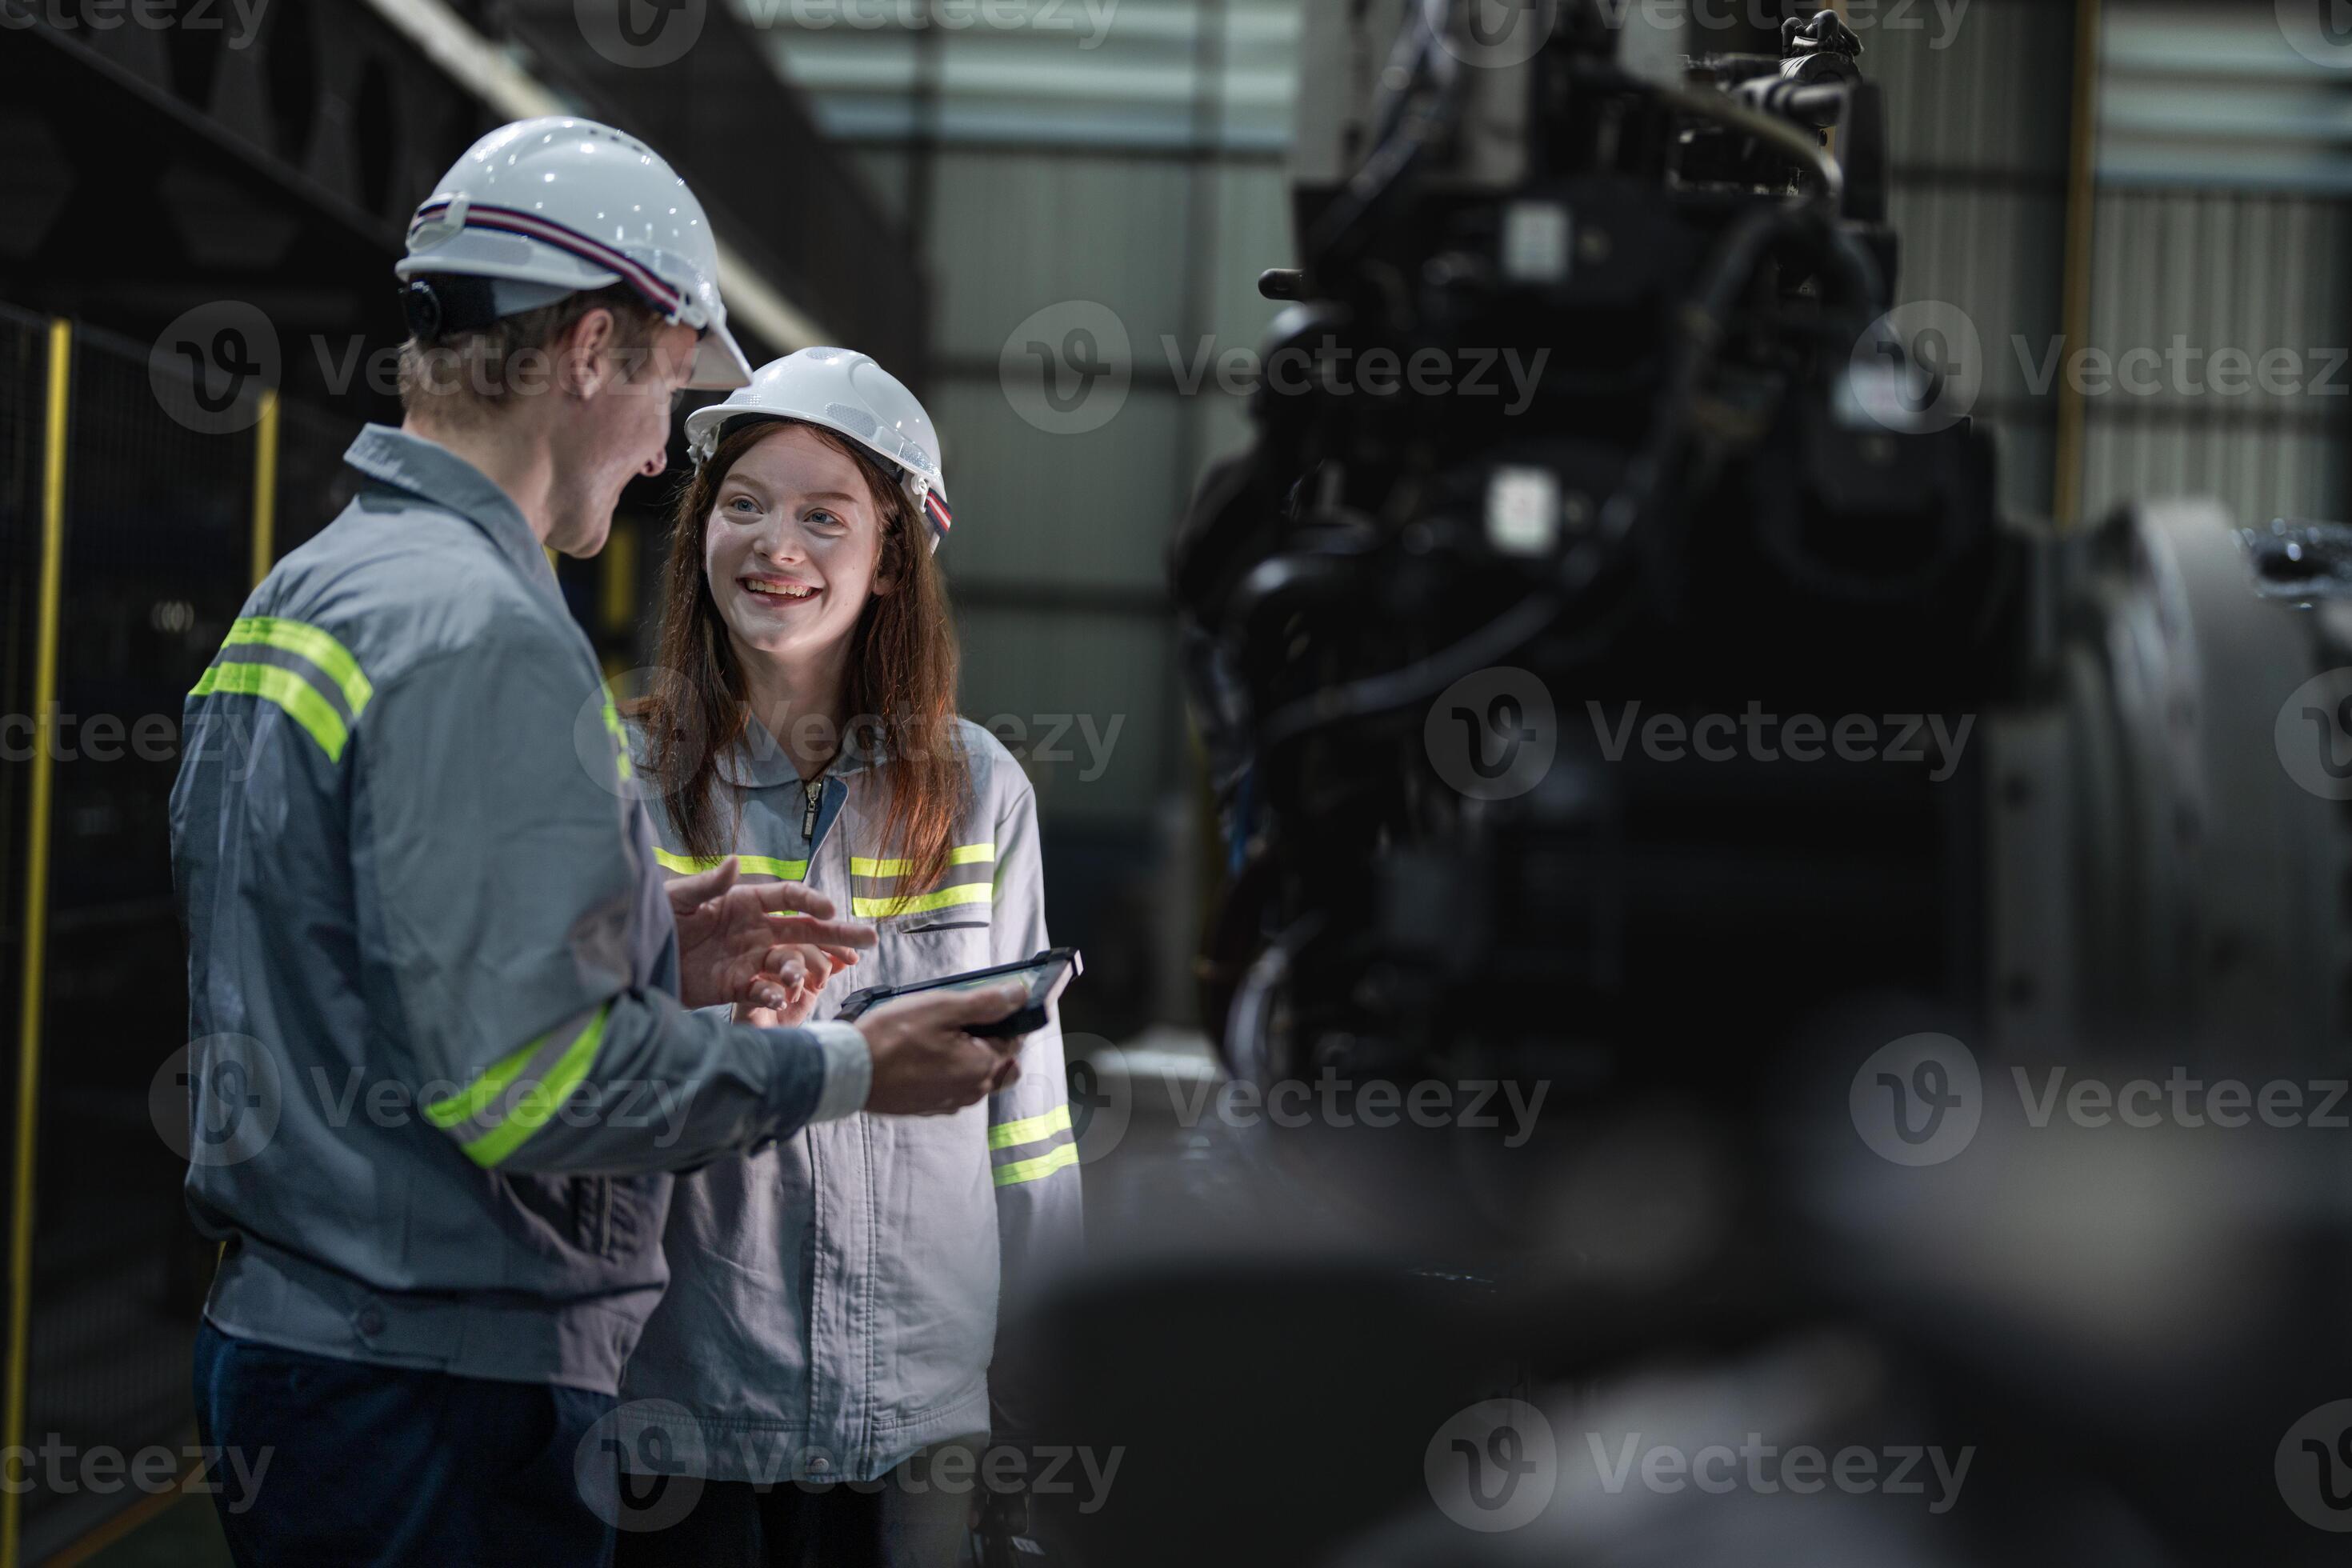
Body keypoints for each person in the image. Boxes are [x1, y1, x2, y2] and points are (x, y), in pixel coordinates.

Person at [168, 120, 1033, 1566]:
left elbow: (367, 963)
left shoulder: (319, 588)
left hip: (320, 1344)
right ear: (587, 351)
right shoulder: (486, 635)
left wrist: (646, 946)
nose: (653, 457)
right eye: (668, 390)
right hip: (432, 1389)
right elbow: (530, 1088)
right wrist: (853, 1066)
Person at [608, 350, 1083, 1566]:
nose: (777, 546)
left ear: (892, 562)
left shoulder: (978, 791)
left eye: (826, 516)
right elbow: (568, 1090)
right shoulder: (619, 781)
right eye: (745, 503)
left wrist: (1045, 1396)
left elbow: (1029, 1128)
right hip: (683, 1392)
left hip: (918, 1411)